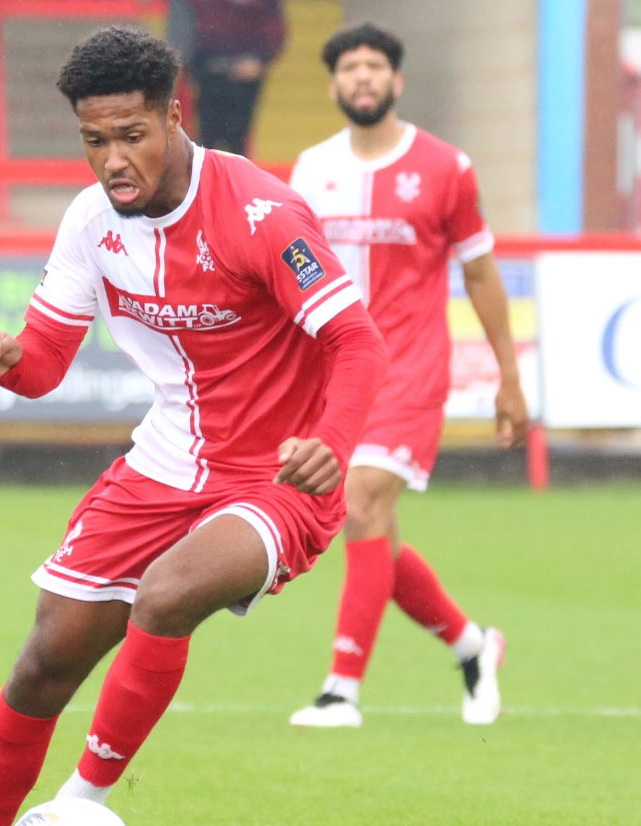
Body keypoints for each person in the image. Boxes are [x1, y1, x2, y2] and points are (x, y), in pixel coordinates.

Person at [0, 27, 387, 825]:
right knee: (45, 663)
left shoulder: (263, 214)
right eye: (94, 140)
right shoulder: (90, 221)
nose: (113, 159)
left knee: (165, 597)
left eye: (131, 135)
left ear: (173, 117)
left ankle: (81, 803)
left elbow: (355, 341)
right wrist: (7, 360)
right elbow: (46, 362)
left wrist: (329, 442)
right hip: (163, 465)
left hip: (276, 478)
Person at [285, 23, 525, 728]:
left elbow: (479, 272)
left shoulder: (446, 166)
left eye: (374, 66)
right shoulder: (308, 170)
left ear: (396, 81)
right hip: (332, 373)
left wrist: (509, 379)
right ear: (332, 86)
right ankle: (473, 646)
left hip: (410, 369)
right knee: (369, 530)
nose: (362, 77)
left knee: (359, 502)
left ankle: (340, 691)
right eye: (349, 68)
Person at [186, 0, 284, 155]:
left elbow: (275, 27)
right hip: (207, 73)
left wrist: (261, 59)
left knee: (238, 141)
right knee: (205, 140)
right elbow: (184, 26)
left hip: (245, 78)